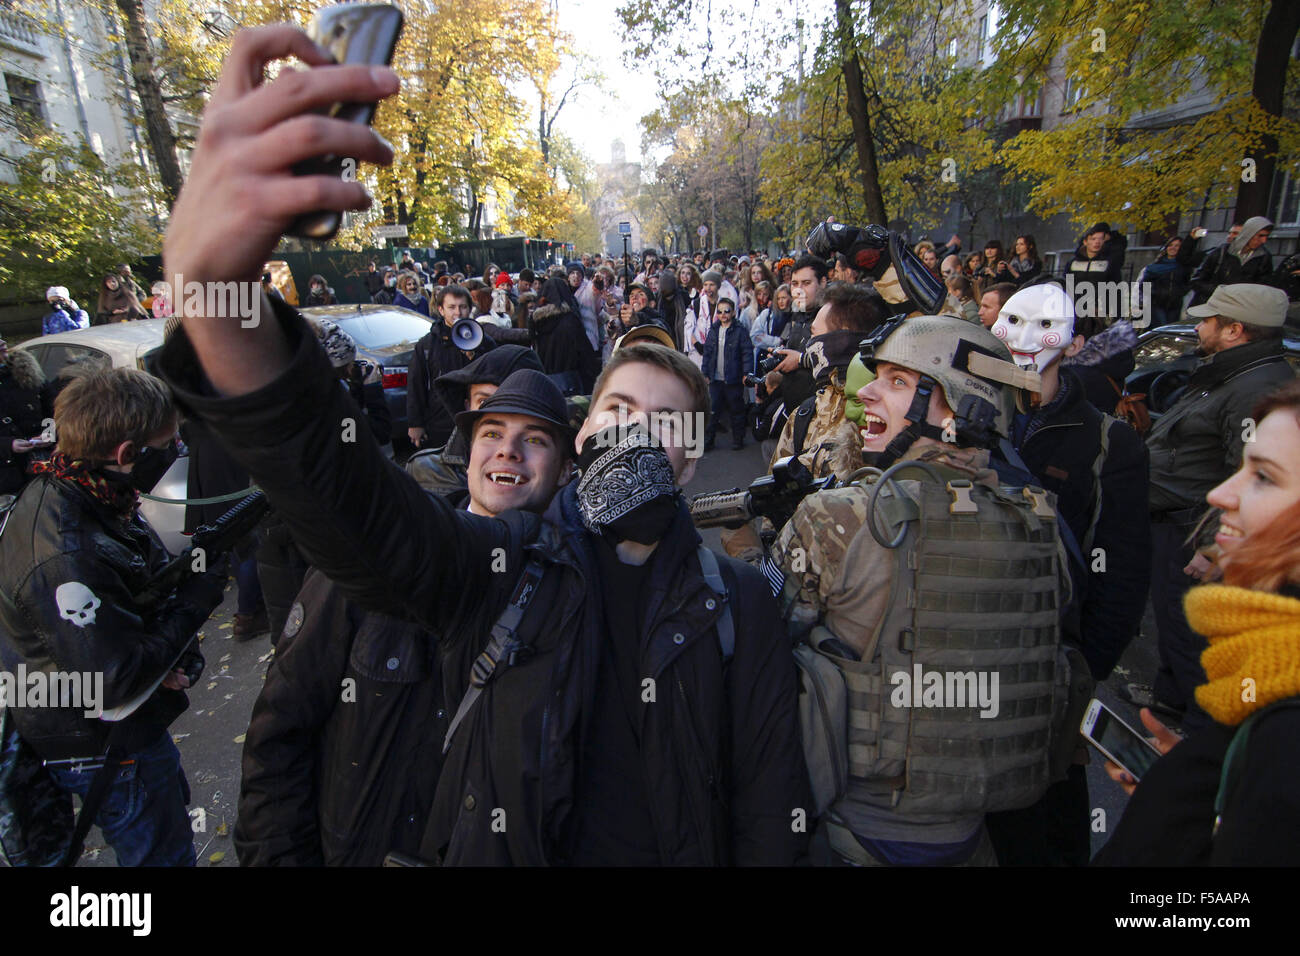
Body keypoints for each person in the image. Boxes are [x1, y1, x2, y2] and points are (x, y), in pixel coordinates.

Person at [236, 369, 575, 866]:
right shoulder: (374, 563)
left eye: (535, 439)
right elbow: (279, 733)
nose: (508, 450)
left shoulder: (570, 595)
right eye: (492, 434)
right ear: (469, 455)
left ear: (566, 470)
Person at [768, 313, 1067, 866]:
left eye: (900, 382)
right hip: (975, 837)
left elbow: (762, 640)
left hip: (852, 832)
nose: (869, 394)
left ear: (955, 410)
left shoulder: (842, 516)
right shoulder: (1039, 521)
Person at [0, 366, 226, 866]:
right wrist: (196, 602)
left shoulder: (85, 490)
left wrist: (177, 651)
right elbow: (114, 680)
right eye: (166, 446)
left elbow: (131, 592)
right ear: (127, 454)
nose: (174, 456)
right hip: (104, 744)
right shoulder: (65, 549)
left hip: (105, 731)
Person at [1094, 379, 1300, 865]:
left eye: (1264, 477)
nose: (1221, 494)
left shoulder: (1285, 728)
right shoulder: (1261, 684)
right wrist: (1198, 779)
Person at [983, 283, 1151, 865]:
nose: (1026, 340)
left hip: (1051, 672)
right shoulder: (964, 415)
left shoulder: (1109, 443)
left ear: (1074, 342)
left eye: (1045, 326)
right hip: (964, 663)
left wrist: (1080, 670)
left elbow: (1121, 577)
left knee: (1043, 828)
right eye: (1013, 321)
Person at [1128, 284, 1296, 730]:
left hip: (1194, 532)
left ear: (1234, 330)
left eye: (1208, 320)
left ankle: (1199, 737)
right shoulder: (1227, 373)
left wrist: (1213, 548)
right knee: (1173, 624)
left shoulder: (1255, 389)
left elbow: (1244, 475)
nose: (1198, 326)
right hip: (1174, 525)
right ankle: (1169, 700)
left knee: (1193, 638)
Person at [405, 345, 549, 500]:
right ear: (468, 406)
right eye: (485, 401)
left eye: (514, 403)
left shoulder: (558, 477)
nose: (497, 412)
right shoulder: (425, 470)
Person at [406, 284, 495, 449]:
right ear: (441, 310)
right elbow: (415, 384)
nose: (458, 313)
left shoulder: (484, 340)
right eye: (451, 307)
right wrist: (415, 423)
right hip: (441, 421)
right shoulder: (427, 344)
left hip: (477, 417)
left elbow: (496, 376)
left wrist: (475, 356)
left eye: (463, 307)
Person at [532, 275, 600, 395]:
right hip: (571, 385)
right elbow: (585, 355)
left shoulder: (535, 323)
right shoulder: (570, 321)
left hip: (544, 385)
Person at [701, 297, 753, 452]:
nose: (723, 314)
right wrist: (705, 373)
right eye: (720, 311)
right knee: (712, 410)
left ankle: (738, 439)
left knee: (736, 410)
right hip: (715, 378)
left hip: (734, 378)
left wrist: (746, 373)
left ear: (734, 313)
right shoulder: (714, 329)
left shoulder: (740, 330)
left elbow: (747, 353)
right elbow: (707, 353)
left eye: (727, 311)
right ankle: (708, 440)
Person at [1189, 216, 1274, 307]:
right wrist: (1221, 292)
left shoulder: (1264, 258)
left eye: (1266, 236)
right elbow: (1196, 281)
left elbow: (1264, 289)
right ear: (1248, 233)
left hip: (1239, 311)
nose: (1264, 240)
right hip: (1209, 308)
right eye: (1260, 235)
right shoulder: (1220, 253)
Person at [0, 336, 48, 494]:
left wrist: (50, 432)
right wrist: (9, 445)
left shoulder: (26, 372)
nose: (2, 343)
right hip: (8, 482)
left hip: (46, 468)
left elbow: (55, 409)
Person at [1063, 222, 1127, 324]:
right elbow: (1065, 286)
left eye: (1100, 239)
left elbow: (1114, 289)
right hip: (1074, 312)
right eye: (1093, 239)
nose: (1097, 242)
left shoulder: (1109, 264)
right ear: (1085, 241)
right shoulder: (1073, 263)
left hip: (1098, 315)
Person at [1137, 235, 1195, 326]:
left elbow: (1188, 282)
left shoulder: (1183, 267)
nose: (1173, 248)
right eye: (1171, 245)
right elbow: (1143, 285)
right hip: (1157, 304)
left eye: (1177, 245)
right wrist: (1155, 293)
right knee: (1160, 327)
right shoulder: (1156, 266)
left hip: (1175, 305)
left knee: (1170, 329)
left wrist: (1180, 292)